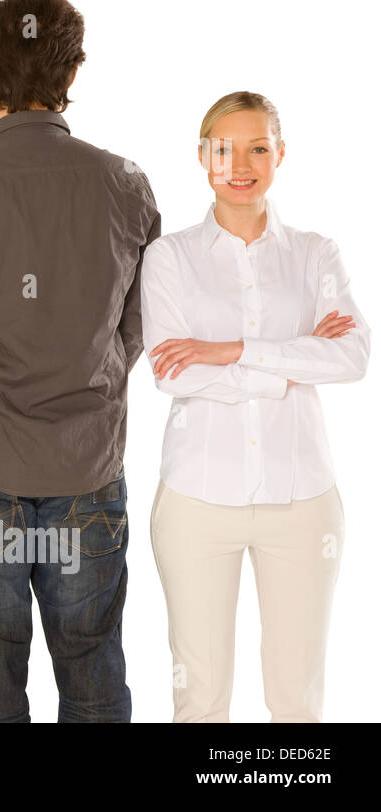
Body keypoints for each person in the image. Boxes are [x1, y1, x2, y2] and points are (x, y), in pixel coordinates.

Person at [0, 0, 160, 722]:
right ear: (72, 74)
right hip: (87, 462)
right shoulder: (125, 184)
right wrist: (94, 376)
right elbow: (139, 318)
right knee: (93, 664)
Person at [142, 92, 369, 722]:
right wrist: (289, 362)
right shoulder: (169, 257)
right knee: (201, 698)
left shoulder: (316, 253)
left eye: (258, 147)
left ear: (281, 154)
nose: (240, 163)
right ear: (201, 156)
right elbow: (173, 372)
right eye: (224, 148)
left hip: (303, 503)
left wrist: (233, 350)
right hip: (197, 503)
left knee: (297, 699)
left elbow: (351, 357)